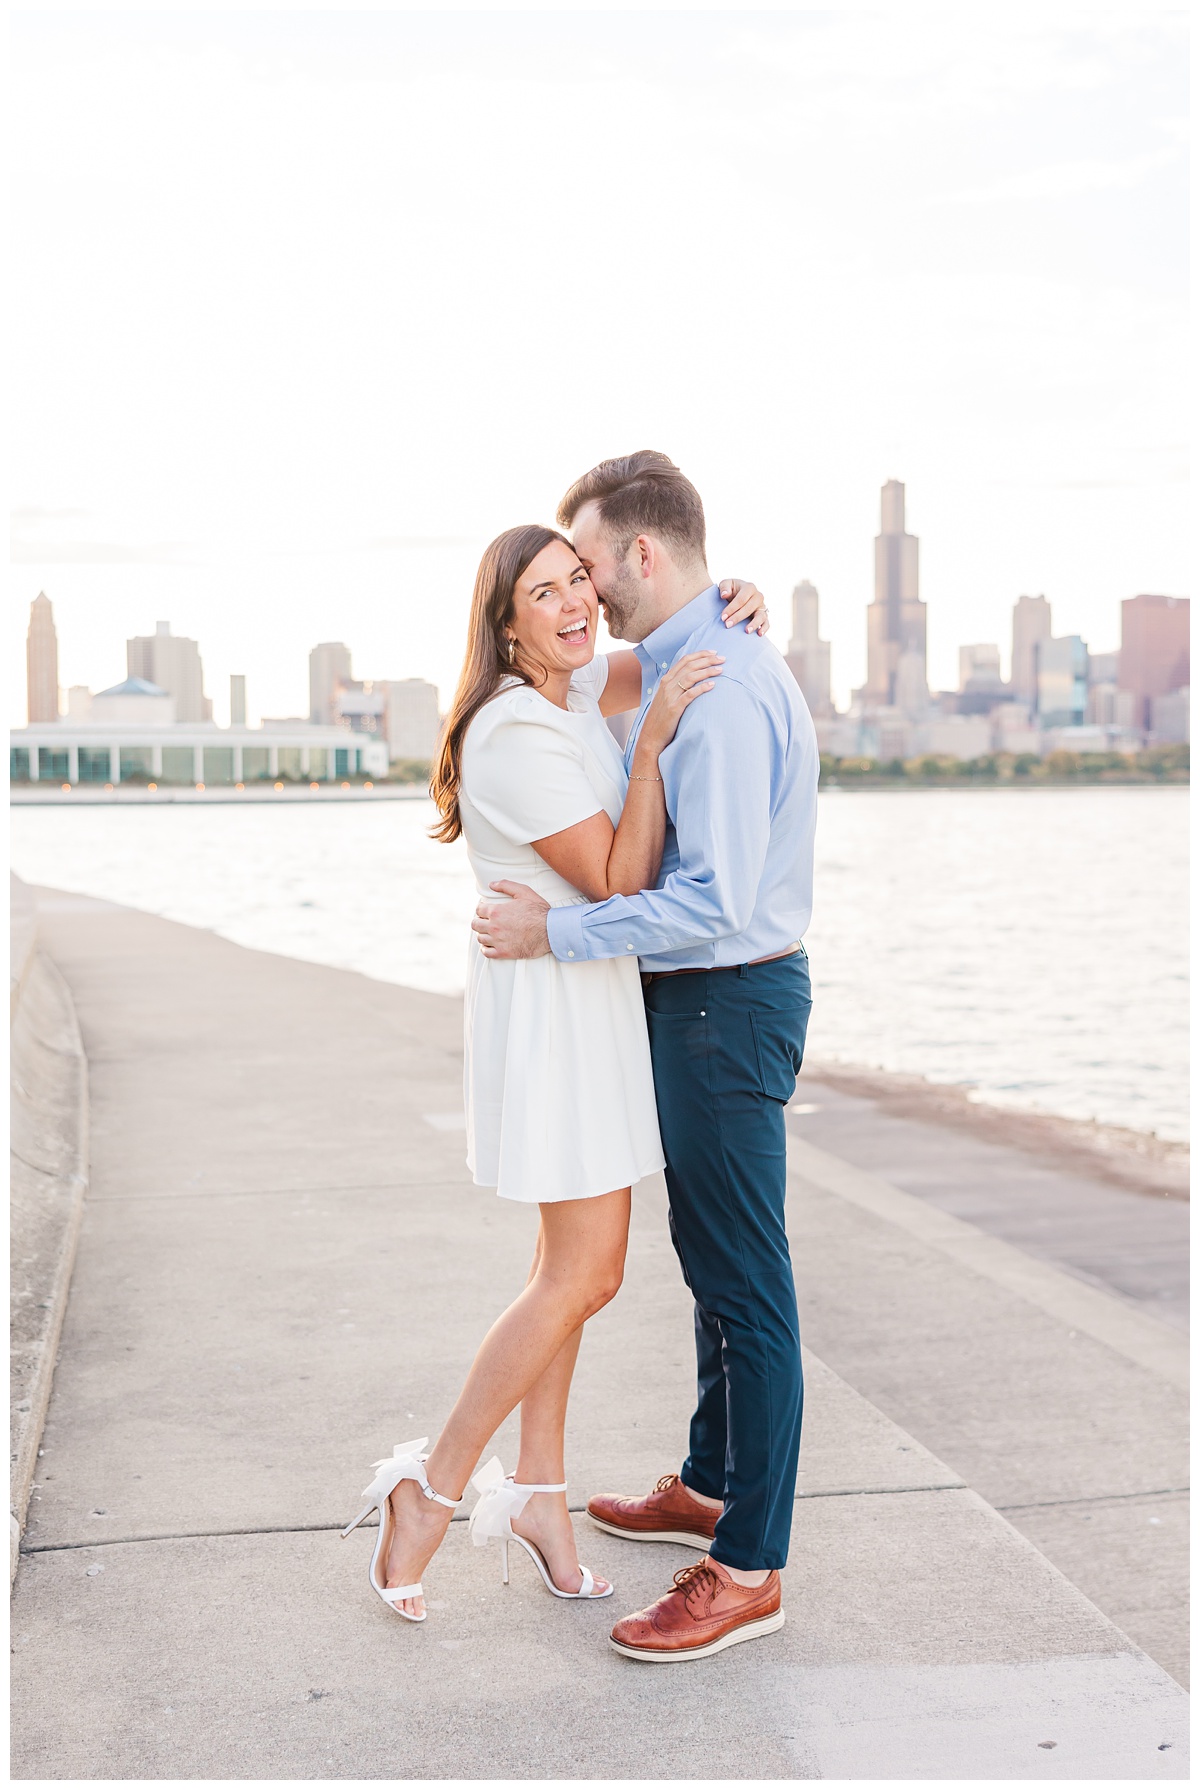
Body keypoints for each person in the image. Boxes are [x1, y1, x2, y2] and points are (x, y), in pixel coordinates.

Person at [341, 518, 770, 1622]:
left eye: (581, 578)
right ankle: (430, 1490)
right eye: (547, 591)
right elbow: (623, 877)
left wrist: (734, 598)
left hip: (585, 1002)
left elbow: (665, 643)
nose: (578, 603)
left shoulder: (572, 689)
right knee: (580, 1274)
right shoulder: (518, 731)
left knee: (569, 1267)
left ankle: (538, 1493)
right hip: (558, 1016)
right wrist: (659, 730)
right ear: (506, 622)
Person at [473, 451, 818, 1662]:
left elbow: (709, 903)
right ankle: (713, 1482)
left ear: (642, 557)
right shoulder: (681, 659)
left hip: (724, 998)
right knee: (712, 1257)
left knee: (744, 1284)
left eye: (591, 567)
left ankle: (749, 1565)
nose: (587, 596)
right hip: (708, 1006)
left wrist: (557, 928)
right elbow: (589, 672)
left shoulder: (714, 695)